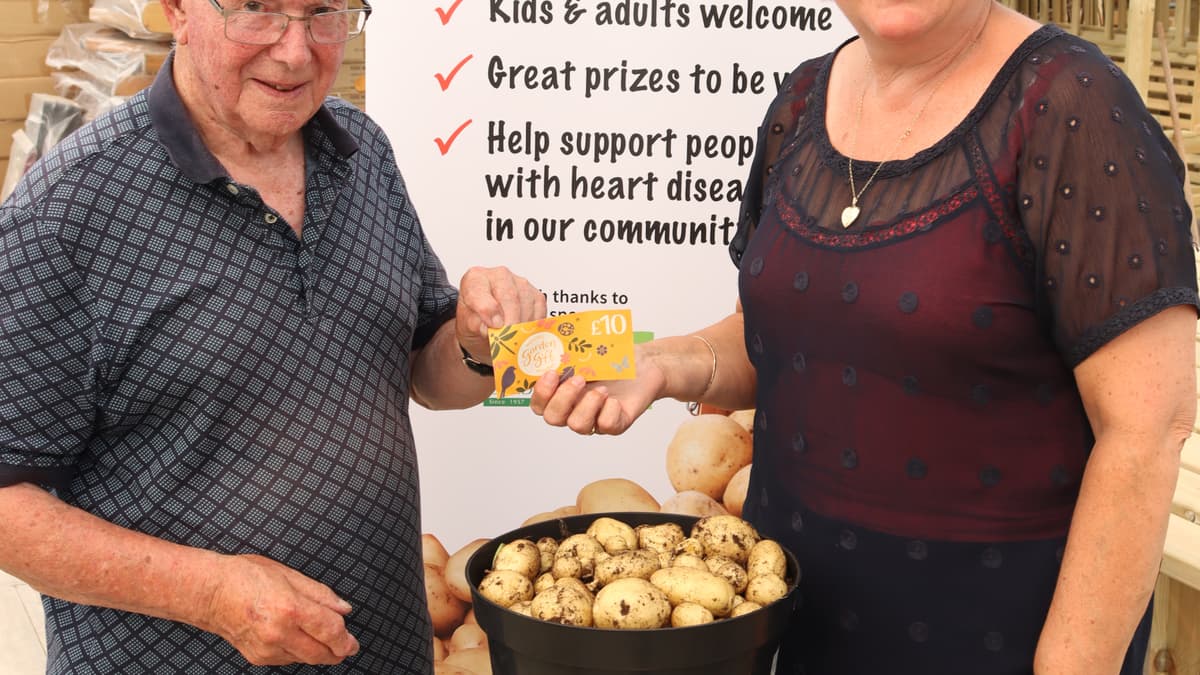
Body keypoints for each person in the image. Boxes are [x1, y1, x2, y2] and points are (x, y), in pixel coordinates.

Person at [532, 2, 1199, 674]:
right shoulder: (801, 100)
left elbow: (1147, 429)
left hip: (987, 639)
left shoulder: (1071, 104)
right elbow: (792, 337)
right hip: (797, 631)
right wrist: (660, 362)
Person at [0, 0, 545, 672]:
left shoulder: (362, 153)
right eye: (257, 10)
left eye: (322, 12)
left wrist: (474, 342)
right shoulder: (68, 211)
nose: (295, 51)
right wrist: (211, 593)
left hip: (383, 652)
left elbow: (426, 373)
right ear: (177, 10)